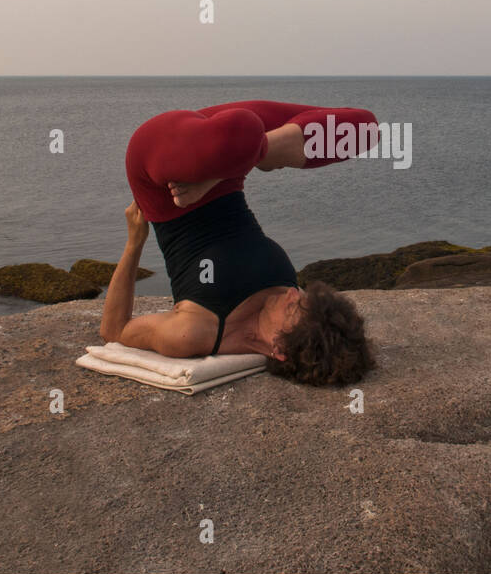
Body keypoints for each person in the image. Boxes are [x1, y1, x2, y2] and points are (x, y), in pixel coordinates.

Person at [99, 100, 378, 386]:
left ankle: (260, 152)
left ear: (279, 350)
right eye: (304, 299)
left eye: (294, 309)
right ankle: (258, 153)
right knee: (365, 130)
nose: (295, 294)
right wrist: (225, 172)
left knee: (243, 127)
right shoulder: (289, 301)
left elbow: (114, 331)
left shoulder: (194, 332)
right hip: (224, 153)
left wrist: (134, 242)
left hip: (168, 174)